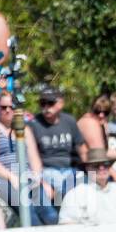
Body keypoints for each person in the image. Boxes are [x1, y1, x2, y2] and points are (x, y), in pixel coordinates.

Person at [0, 90, 52, 209]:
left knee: (48, 212)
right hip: (2, 178)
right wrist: (11, 177)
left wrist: (41, 181)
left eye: (11, 107)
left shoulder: (25, 129)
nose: (8, 110)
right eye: (3, 107)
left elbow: (34, 159)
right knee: (27, 210)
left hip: (28, 176)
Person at [28, 85, 87, 221]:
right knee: (60, 196)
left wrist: (90, 169)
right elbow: (32, 158)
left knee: (87, 190)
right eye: (43, 103)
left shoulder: (69, 120)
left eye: (50, 103)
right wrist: (41, 181)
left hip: (70, 169)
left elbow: (81, 149)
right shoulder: (34, 124)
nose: (46, 107)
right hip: (47, 170)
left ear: (61, 103)